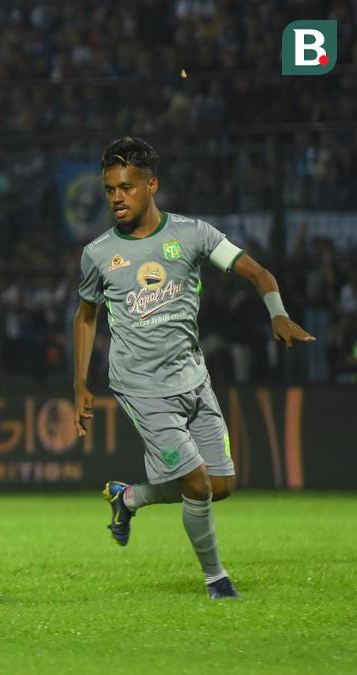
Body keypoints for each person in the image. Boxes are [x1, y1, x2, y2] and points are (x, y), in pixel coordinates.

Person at [72, 137, 315, 599]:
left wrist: (277, 311)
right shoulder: (99, 254)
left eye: (126, 187)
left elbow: (260, 274)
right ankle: (216, 579)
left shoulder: (193, 235)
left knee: (219, 485)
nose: (117, 198)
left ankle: (128, 498)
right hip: (141, 387)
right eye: (109, 189)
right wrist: (80, 385)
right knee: (197, 484)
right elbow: (86, 316)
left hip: (194, 379)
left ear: (152, 185)